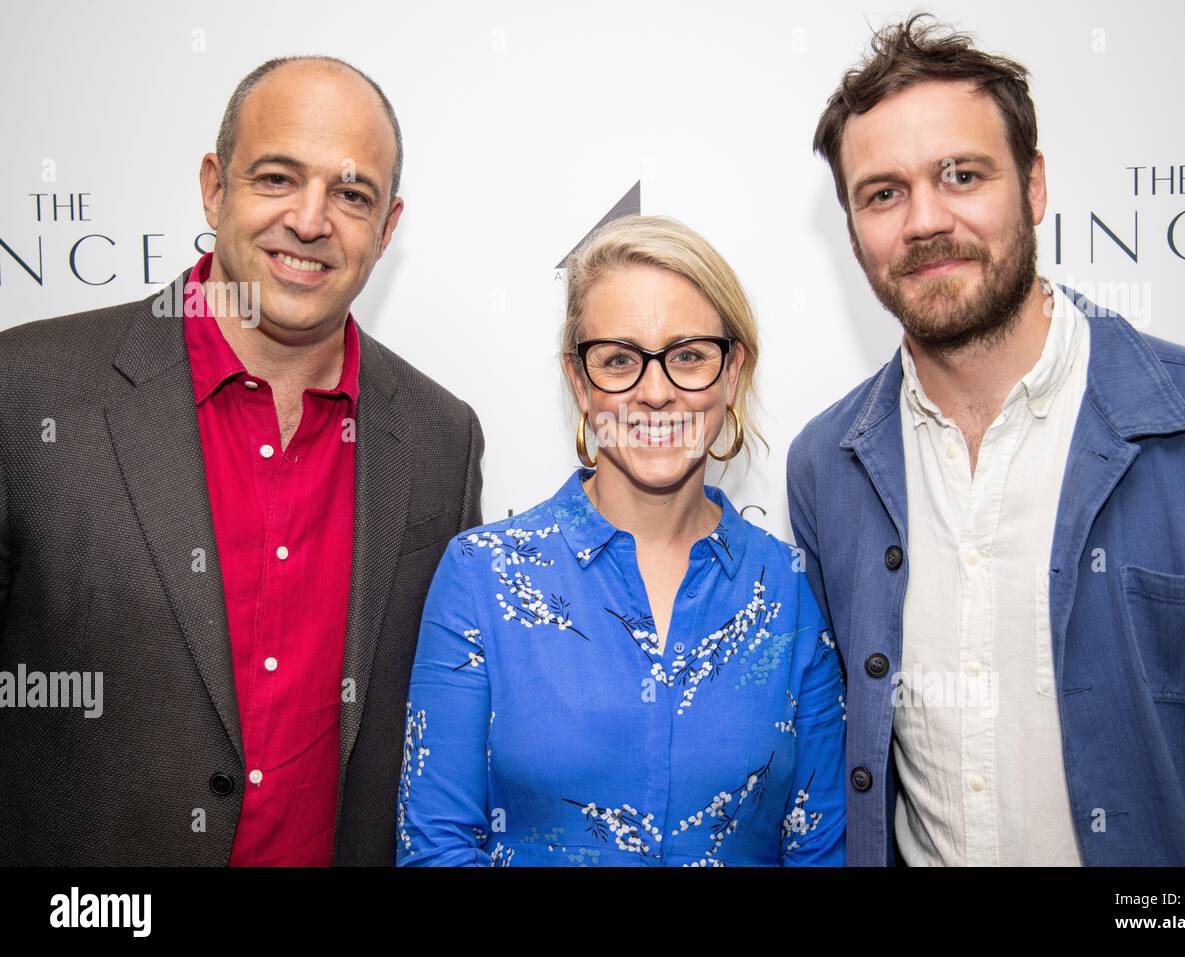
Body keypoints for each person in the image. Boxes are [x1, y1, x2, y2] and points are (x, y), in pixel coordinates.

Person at [788, 13, 1185, 866]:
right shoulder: (826, 465)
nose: (924, 220)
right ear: (852, 232)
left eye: (961, 174)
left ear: (1033, 187)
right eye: (883, 193)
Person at [0, 56, 484, 865]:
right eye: (277, 178)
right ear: (215, 187)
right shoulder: (26, 392)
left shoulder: (441, 436)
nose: (309, 219)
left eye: (351, 194)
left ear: (388, 227)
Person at [397, 215, 845, 866]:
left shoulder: (788, 589)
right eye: (619, 360)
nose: (656, 391)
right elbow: (436, 846)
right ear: (579, 380)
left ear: (732, 371)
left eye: (689, 355)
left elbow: (821, 849)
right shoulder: (481, 576)